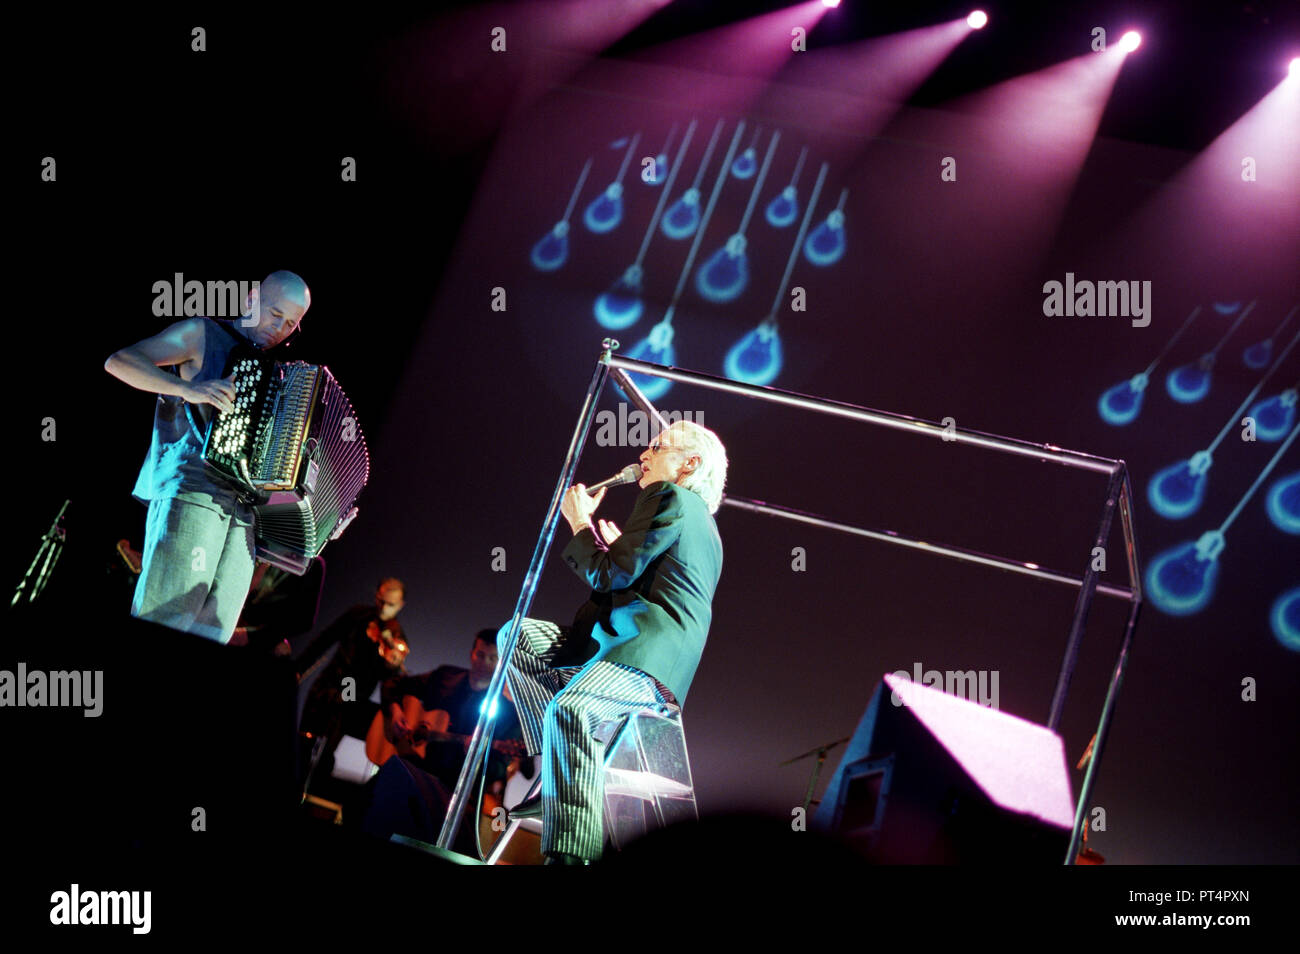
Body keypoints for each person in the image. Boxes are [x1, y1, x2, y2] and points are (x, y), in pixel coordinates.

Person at [499, 419, 727, 865]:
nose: (644, 455)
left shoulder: (670, 496)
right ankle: (562, 777)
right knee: (516, 638)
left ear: (689, 465)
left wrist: (580, 523)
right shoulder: (705, 527)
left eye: (658, 447)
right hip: (624, 648)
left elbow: (609, 575)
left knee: (571, 709)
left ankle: (572, 855)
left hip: (642, 658)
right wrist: (614, 549)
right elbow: (643, 579)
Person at [104, 270, 311, 642]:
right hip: (194, 491)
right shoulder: (204, 333)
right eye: (275, 313)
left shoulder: (280, 375)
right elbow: (120, 361)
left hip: (245, 516)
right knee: (164, 619)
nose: (280, 328)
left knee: (213, 633)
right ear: (251, 300)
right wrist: (188, 389)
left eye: (291, 323)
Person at [360, 630, 527, 853]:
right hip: (413, 769)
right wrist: (395, 709)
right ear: (471, 653)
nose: (483, 663)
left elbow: (498, 770)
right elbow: (393, 685)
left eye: (492, 658)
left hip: (456, 791)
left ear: (502, 662)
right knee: (362, 802)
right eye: (480, 654)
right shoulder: (444, 677)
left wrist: (477, 756)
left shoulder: (506, 711)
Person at [297, 578, 410, 787]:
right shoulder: (358, 614)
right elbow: (326, 639)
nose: (383, 608)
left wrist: (392, 665)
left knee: (326, 749)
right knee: (302, 741)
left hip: (352, 695)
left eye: (390, 605)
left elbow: (390, 681)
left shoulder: (397, 638)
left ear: (400, 605)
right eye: (380, 601)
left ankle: (312, 793)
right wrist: (299, 669)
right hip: (328, 684)